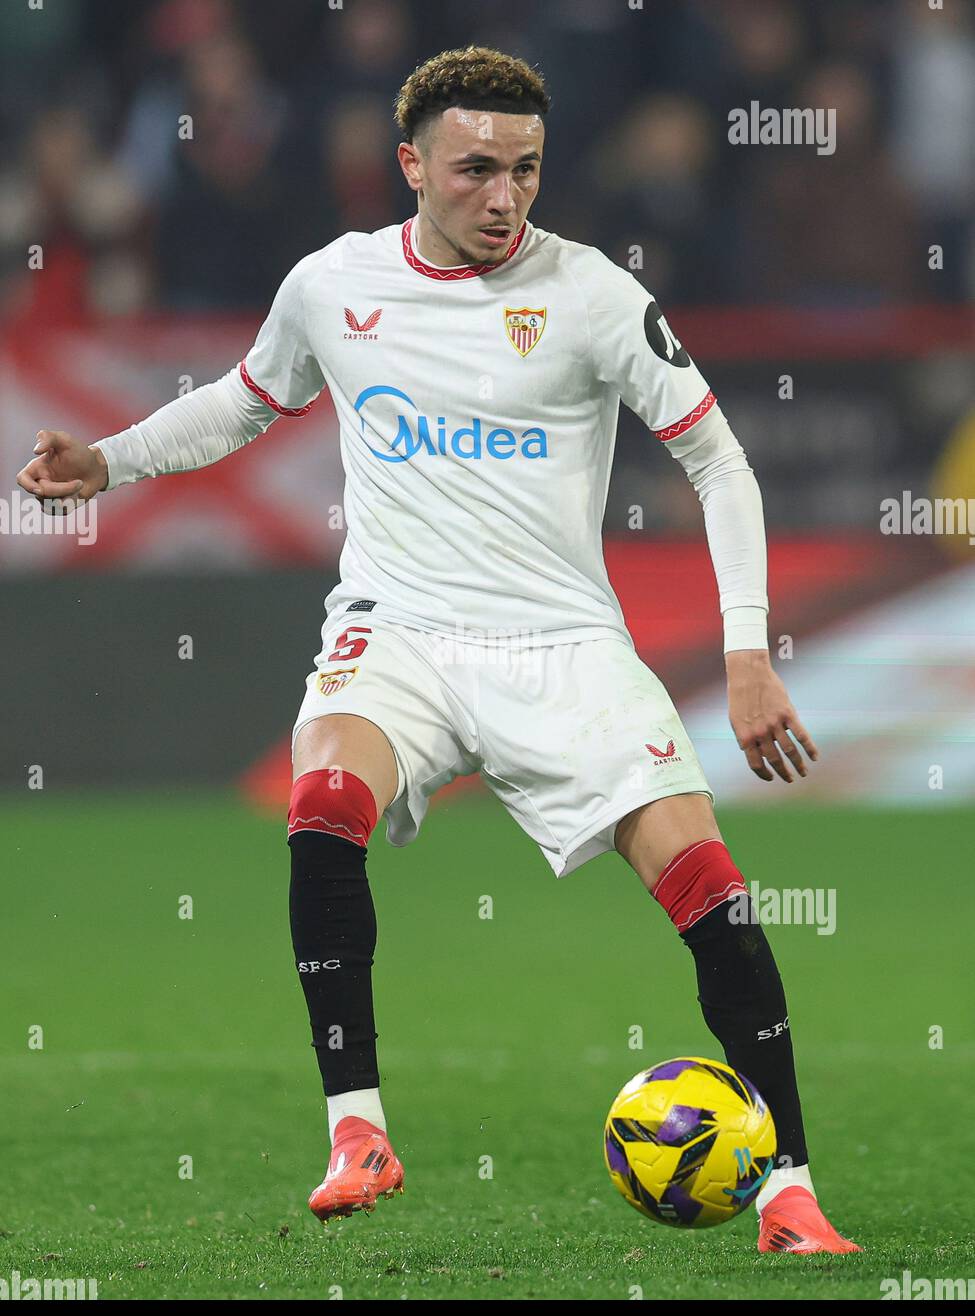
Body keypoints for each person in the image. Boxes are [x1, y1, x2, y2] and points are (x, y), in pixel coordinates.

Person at [18, 45, 859, 1254]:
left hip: (565, 643)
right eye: (475, 170)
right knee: (321, 803)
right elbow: (247, 400)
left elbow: (718, 461)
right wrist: (111, 457)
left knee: (713, 894)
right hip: (398, 629)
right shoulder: (333, 285)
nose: (504, 197)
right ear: (411, 165)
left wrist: (745, 651)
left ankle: (788, 1188)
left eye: (524, 169)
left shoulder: (595, 296)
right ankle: (356, 1128)